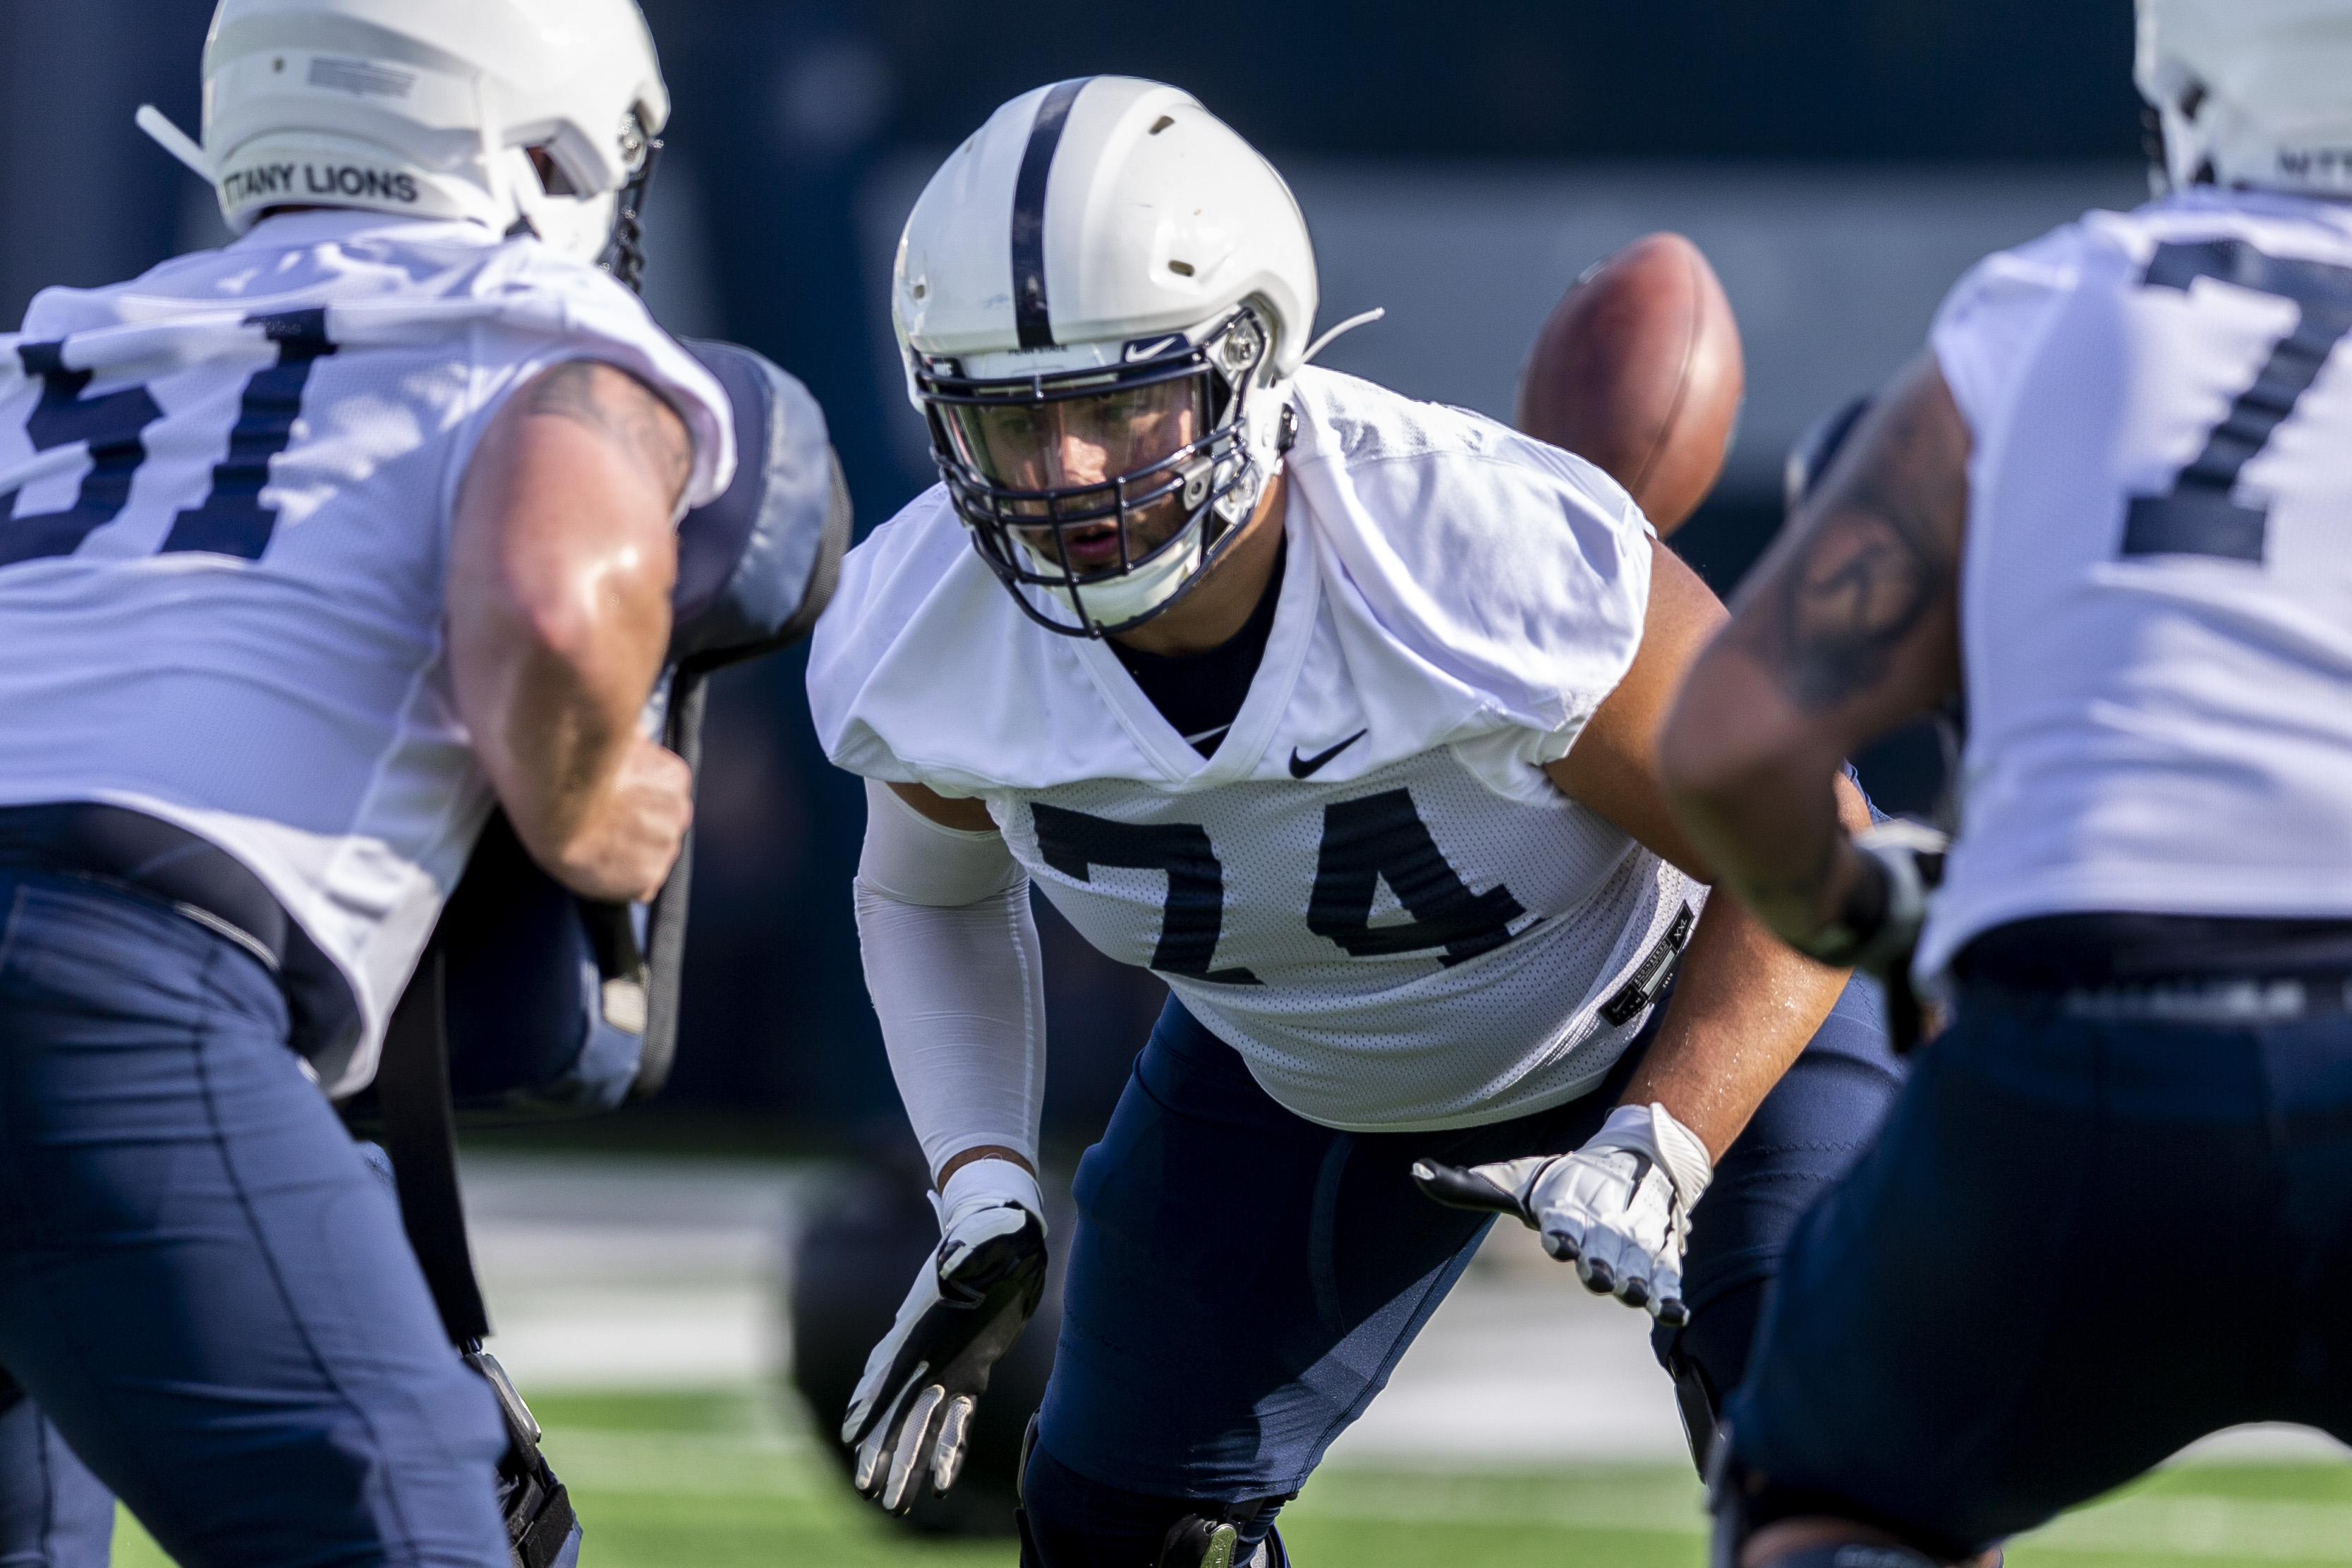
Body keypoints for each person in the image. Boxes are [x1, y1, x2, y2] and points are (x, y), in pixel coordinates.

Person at [807, 75, 1903, 1567]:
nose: (1061, 475)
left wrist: (1665, 1132)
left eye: (1116, 402)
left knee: (1846, 1489)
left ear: (1249, 360)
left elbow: (1809, 848)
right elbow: (926, 892)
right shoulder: (930, 620)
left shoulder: (1461, 550)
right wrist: (981, 1178)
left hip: (1673, 1001)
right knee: (1119, 1533)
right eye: (1010, 421)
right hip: (1300, 1075)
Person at [0, 1, 732, 1562]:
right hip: (111, 979)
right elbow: (549, 590)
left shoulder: (60, 344)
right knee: (408, 1524)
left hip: (87, 954)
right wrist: (591, 803)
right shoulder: (535, 333)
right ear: (554, 142)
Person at [1659, 5, 2352, 1566]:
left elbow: (1730, 743)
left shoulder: (2053, 304)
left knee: (1821, 1502)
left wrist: (1878, 916)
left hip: (2080, 1061)